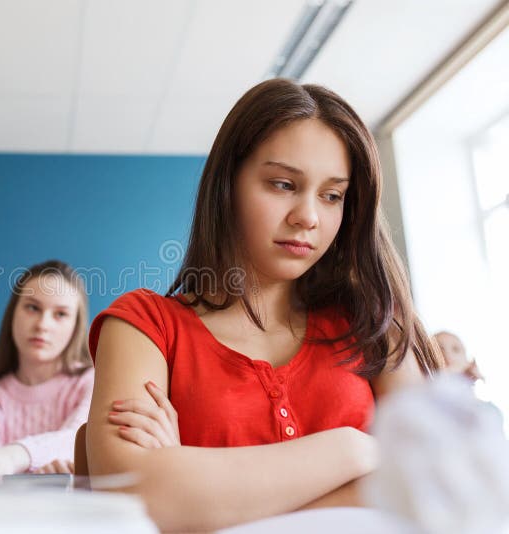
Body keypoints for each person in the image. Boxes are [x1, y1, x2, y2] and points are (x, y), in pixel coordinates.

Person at [86, 79, 442, 532]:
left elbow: (429, 484)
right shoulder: (144, 325)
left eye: (332, 195)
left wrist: (196, 493)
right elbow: (132, 497)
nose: (308, 216)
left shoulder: (372, 320)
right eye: (282, 184)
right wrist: (355, 450)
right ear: (227, 184)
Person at [0, 260, 94, 482]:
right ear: (13, 314)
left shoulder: (92, 382)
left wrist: (15, 456)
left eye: (60, 314)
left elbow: (78, 441)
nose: (43, 324)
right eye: (33, 308)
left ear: (76, 325)